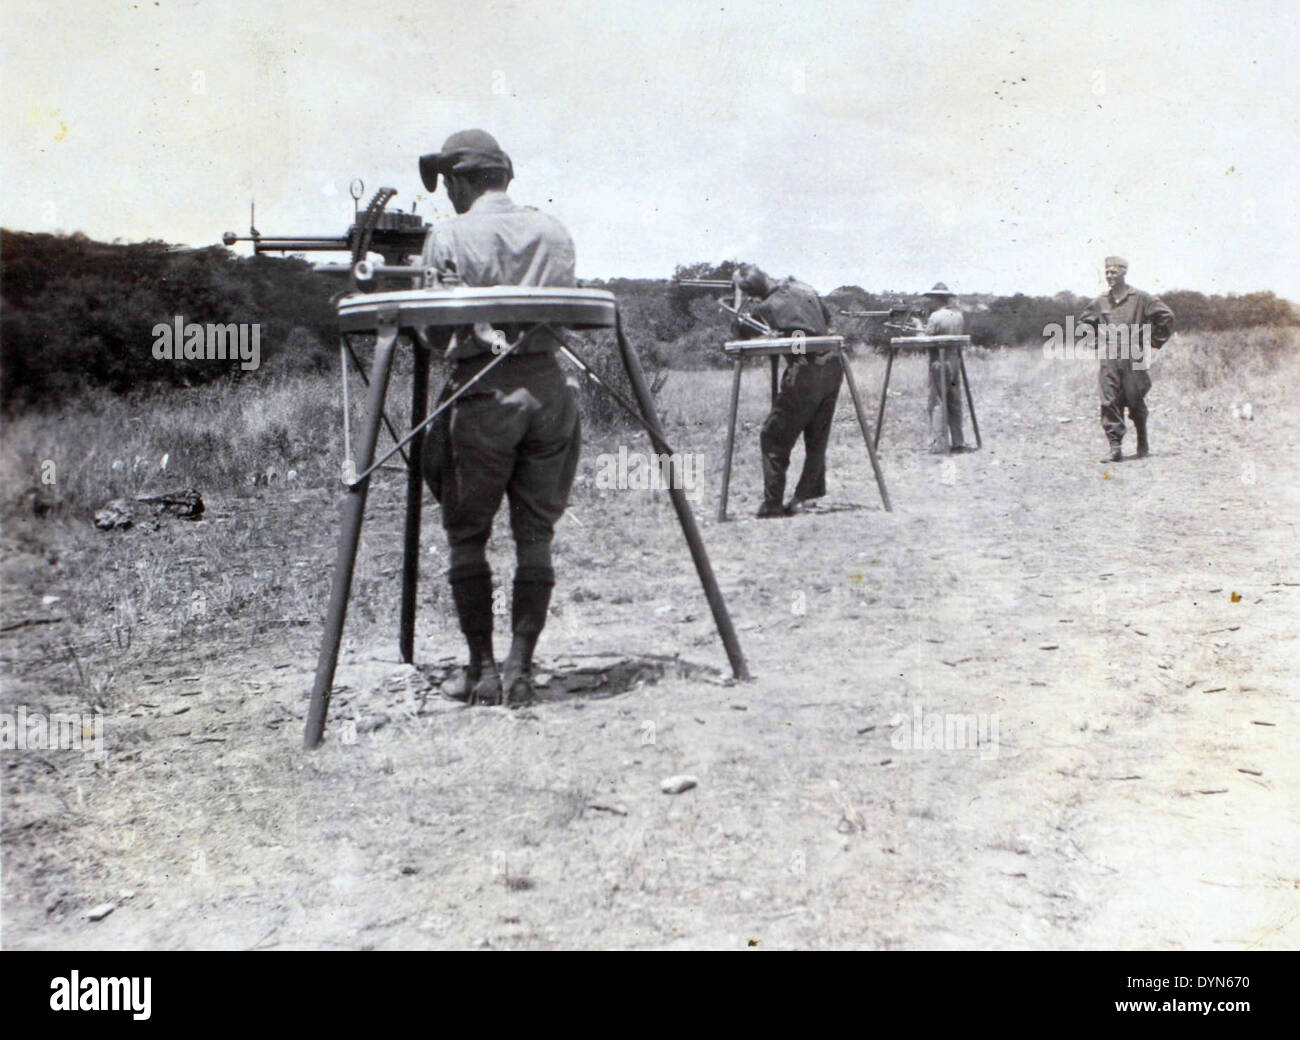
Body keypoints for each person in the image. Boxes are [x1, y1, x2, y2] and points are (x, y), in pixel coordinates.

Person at [417, 129, 579, 706]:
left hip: (483, 390)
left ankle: (482, 669)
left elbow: (436, 336)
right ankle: (520, 669)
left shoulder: (448, 234)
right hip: (548, 390)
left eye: (448, 184)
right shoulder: (553, 230)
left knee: (467, 536)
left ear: (459, 180)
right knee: (535, 535)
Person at [732, 265, 842, 518]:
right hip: (833, 366)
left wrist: (739, 302)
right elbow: (824, 321)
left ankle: (772, 504)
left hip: (805, 372)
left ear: (752, 292)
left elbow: (739, 331)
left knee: (773, 438)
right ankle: (805, 497)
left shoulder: (765, 307)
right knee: (817, 439)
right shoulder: (804, 288)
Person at [1077, 257, 1174, 461]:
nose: (1109, 277)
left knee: (1135, 398)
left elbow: (1166, 316)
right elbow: (1084, 323)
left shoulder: (1141, 298)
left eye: (1113, 272)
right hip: (1109, 356)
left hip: (1134, 355)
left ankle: (1142, 439)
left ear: (1123, 273)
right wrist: (1094, 341)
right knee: (1109, 399)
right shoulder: (1100, 301)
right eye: (1107, 273)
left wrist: (1154, 340)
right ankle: (1115, 447)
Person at [921, 282, 966, 454]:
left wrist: (919, 327)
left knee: (937, 402)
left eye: (931, 298)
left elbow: (926, 340)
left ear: (937, 299)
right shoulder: (958, 315)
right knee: (954, 401)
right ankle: (958, 441)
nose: (929, 302)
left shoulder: (935, 316)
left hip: (939, 361)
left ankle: (938, 443)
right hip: (954, 360)